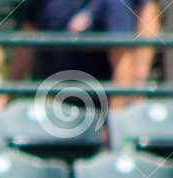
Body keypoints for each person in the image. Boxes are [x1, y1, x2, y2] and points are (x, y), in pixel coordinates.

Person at [10, 0, 147, 111]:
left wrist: (113, 122)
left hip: (96, 110)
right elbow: (26, 45)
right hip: (51, 105)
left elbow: (122, 65)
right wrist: (7, 95)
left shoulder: (113, 4)